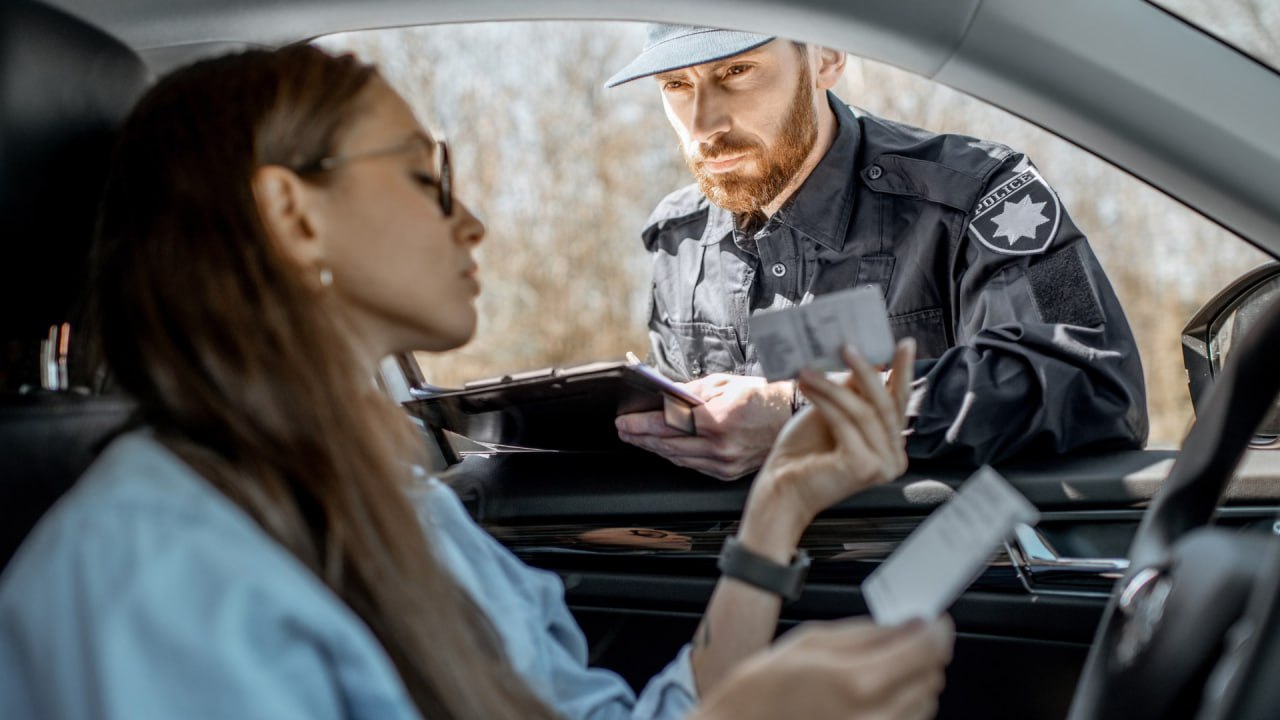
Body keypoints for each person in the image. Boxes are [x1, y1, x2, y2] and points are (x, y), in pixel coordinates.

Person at [0, 45, 952, 720]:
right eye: (427, 178)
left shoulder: (413, 517)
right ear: (292, 212)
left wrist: (776, 513)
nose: (474, 227)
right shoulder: (148, 572)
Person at [610, 25, 1149, 480]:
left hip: (931, 586)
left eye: (736, 72)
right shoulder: (678, 241)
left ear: (826, 57)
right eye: (677, 84)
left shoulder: (986, 196)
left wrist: (806, 412)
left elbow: (1093, 382)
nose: (704, 126)